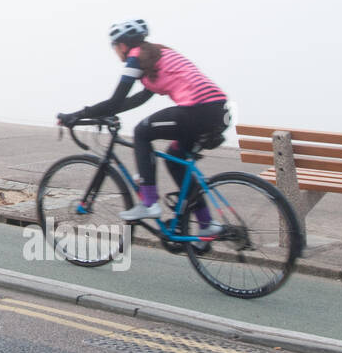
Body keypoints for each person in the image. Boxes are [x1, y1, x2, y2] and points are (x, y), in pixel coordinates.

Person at [57, 20, 230, 231]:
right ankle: (206, 226)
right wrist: (101, 115)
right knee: (176, 161)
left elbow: (115, 100)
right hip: (216, 110)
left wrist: (76, 115)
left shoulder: (136, 58)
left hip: (198, 109)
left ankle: (149, 203)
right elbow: (134, 101)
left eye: (114, 46)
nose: (115, 51)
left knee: (141, 132)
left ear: (121, 45)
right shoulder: (155, 56)